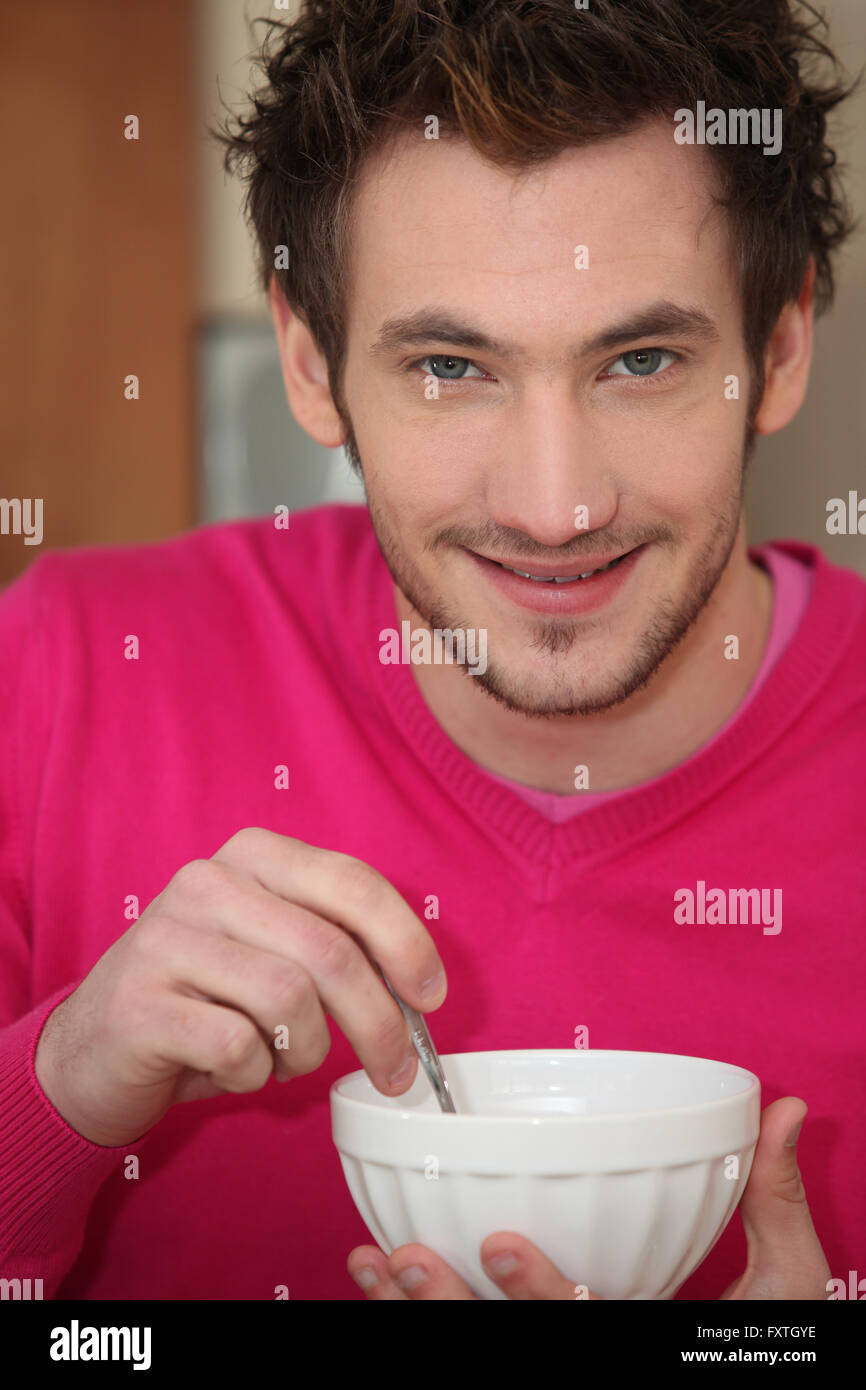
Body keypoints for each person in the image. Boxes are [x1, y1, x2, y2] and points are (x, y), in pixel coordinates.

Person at [0, 0, 862, 1302]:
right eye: (451, 366)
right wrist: (58, 1088)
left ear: (780, 344)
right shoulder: (65, 667)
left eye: (638, 359)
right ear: (307, 358)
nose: (553, 505)